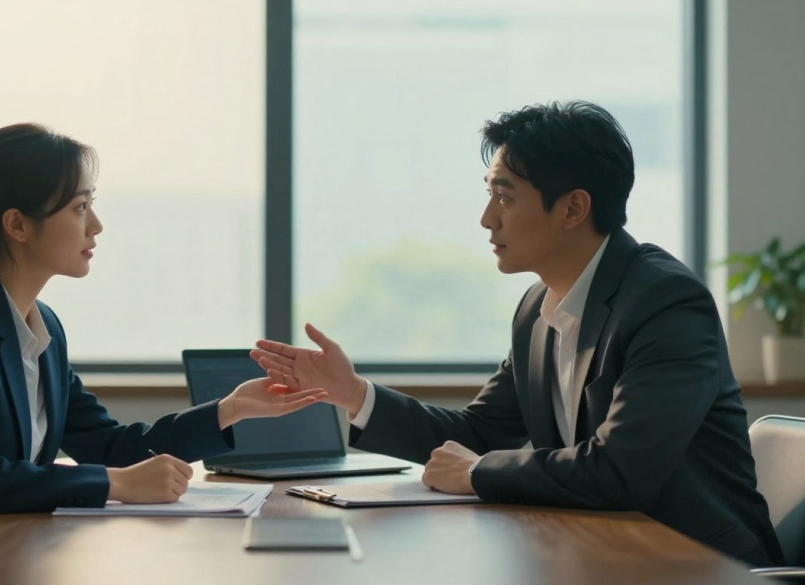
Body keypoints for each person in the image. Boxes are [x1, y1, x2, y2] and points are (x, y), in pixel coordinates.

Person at [251, 102, 783, 567]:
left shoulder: (665, 302)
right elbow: (479, 435)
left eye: (504, 197)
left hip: (695, 564)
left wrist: (480, 473)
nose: (486, 219)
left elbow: (621, 470)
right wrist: (354, 395)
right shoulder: (536, 309)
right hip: (593, 552)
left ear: (574, 208)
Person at [0, 123, 326, 562]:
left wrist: (230, 409)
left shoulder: (42, 328)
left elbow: (109, 446)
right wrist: (117, 484)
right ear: (17, 224)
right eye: (80, 207)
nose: (96, 225)